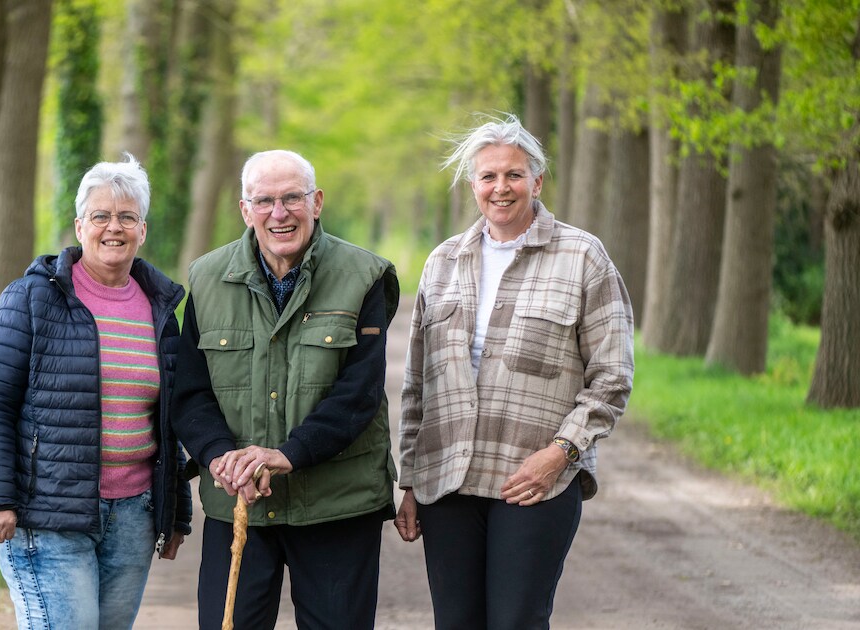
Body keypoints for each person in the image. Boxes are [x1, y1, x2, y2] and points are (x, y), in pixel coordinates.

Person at [395, 114, 634, 630]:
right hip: (448, 484)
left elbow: (612, 376)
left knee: (516, 620)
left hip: (532, 482)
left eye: (514, 175)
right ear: (472, 186)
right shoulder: (442, 263)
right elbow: (418, 386)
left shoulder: (583, 257)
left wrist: (561, 452)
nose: (501, 187)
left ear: (537, 181)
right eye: (488, 177)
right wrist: (410, 481)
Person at [172, 149, 400, 630]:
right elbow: (189, 390)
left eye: (292, 198)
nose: (279, 213)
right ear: (244, 209)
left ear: (316, 202)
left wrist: (288, 454)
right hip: (239, 506)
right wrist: (219, 457)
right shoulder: (206, 279)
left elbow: (358, 393)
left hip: (337, 504)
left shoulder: (364, 276)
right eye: (264, 201)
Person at [0, 154, 191, 630]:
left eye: (127, 217)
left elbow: (170, 421)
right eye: (101, 216)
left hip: (134, 516)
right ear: (79, 225)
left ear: (143, 230)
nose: (115, 227)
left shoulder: (160, 310)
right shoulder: (32, 298)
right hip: (47, 513)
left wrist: (175, 513)